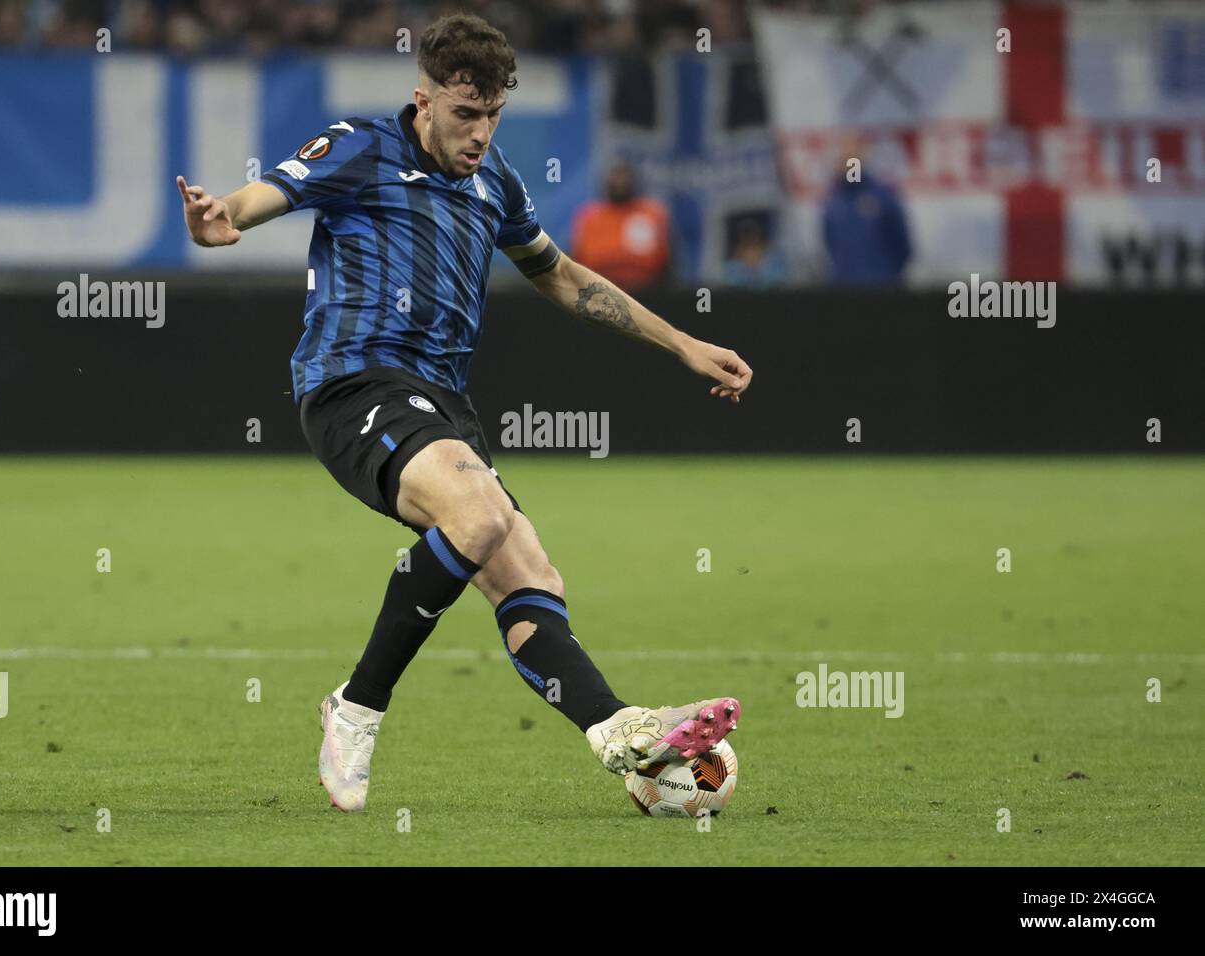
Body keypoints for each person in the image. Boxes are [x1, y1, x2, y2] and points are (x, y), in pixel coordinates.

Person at [176, 13, 749, 812]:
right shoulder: (360, 147)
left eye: (493, 115)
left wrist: (681, 342)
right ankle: (358, 706)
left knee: (528, 573)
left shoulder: (495, 183)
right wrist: (219, 221)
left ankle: (620, 736)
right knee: (479, 514)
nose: (479, 132)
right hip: (353, 386)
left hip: (440, 406)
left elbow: (564, 278)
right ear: (426, 99)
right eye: (464, 114)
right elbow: (255, 200)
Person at [570, 159, 672, 290]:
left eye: (624, 176)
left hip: (644, 292)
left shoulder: (651, 214)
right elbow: (576, 262)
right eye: (615, 176)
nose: (620, 182)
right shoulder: (589, 217)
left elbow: (666, 265)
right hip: (598, 292)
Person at [821, 140, 912, 284]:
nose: (848, 165)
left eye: (852, 159)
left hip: (881, 287)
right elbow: (829, 242)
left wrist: (887, 274)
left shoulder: (883, 196)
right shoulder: (833, 200)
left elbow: (902, 245)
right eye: (844, 159)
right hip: (844, 287)